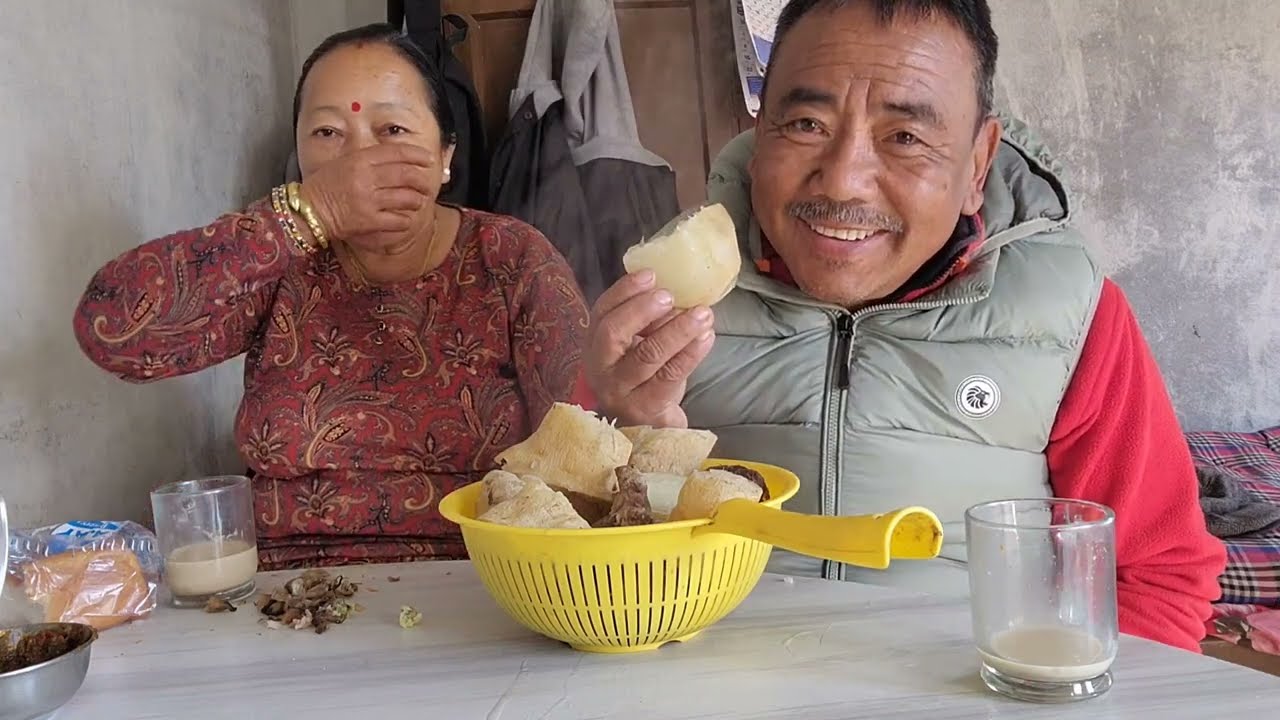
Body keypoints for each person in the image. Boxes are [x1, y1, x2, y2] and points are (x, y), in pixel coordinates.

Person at [580, 0, 1225, 652]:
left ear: (977, 166)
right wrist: (628, 437)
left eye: (906, 137)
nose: (844, 182)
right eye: (806, 123)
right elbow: (578, 566)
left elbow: (1157, 573)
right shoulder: (662, 311)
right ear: (759, 134)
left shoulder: (1069, 316)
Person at [73, 24, 588, 570]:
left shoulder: (512, 259)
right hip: (283, 589)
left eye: (391, 128)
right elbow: (114, 334)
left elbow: (583, 439)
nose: (358, 158)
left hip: (483, 577)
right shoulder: (274, 250)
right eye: (327, 134)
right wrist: (307, 217)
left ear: (445, 157)